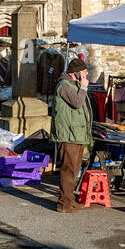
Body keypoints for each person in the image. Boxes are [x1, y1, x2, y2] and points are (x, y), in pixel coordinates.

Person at [51, 57, 93, 212]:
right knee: (68, 170)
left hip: (77, 134)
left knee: (74, 170)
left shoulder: (72, 84)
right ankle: (64, 204)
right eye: (84, 71)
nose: (86, 73)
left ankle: (70, 201)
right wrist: (83, 88)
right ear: (76, 72)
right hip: (68, 134)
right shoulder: (64, 86)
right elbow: (77, 103)